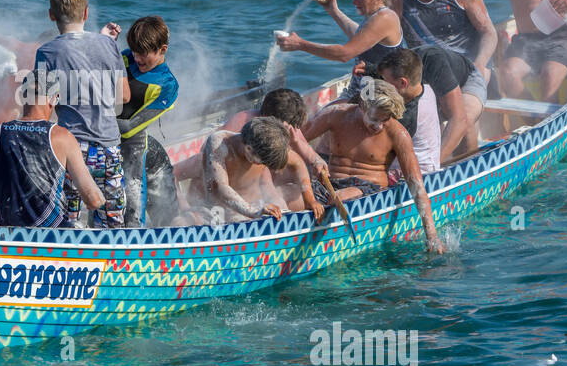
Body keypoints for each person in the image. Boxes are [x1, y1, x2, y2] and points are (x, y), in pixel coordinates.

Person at [300, 79, 445, 254]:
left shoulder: (398, 133)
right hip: (330, 183)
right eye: (375, 119)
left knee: (340, 197)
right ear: (362, 105)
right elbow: (297, 139)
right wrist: (313, 159)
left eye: (386, 120)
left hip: (367, 189)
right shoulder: (335, 115)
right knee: (294, 195)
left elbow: (416, 184)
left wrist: (432, 235)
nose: (380, 126)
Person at [33, 0, 130, 228]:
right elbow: (125, 96)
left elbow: (41, 105)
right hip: (108, 147)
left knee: (69, 222)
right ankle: (111, 262)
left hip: (71, 149)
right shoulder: (107, 44)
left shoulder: (47, 52)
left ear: (51, 15)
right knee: (111, 220)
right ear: (86, 13)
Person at [0, 70, 105, 227]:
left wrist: (7, 172)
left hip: (7, 237)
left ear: (23, 96)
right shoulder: (62, 137)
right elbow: (93, 200)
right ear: (53, 99)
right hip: (52, 237)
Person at [394, 0, 497, 156]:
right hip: (425, 71)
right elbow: (383, 34)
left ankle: (464, 172)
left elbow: (489, 32)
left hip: (466, 69)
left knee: (464, 122)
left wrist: (480, 62)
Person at [274, 0, 404, 97]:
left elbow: (344, 54)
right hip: (361, 93)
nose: (354, 1)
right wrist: (333, 10)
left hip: (379, 99)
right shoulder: (374, 16)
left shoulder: (385, 18)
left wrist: (301, 45)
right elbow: (360, 36)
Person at [180, 117, 316, 223]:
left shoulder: (268, 144)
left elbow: (297, 162)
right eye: (261, 162)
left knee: (298, 197)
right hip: (217, 213)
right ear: (248, 149)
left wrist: (309, 198)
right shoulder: (219, 144)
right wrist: (255, 212)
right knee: (180, 223)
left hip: (257, 205)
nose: (262, 165)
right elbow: (221, 188)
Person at [116, 16, 179, 226]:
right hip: (114, 145)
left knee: (155, 221)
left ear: (162, 49)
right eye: (133, 51)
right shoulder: (126, 58)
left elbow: (128, 129)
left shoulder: (167, 85)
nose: (137, 58)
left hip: (143, 154)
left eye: (143, 53)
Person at [374, 49, 440, 176]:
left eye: (385, 81)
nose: (382, 85)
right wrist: (370, 69)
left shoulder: (408, 117)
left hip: (414, 175)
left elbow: (379, 153)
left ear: (403, 82)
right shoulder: (423, 85)